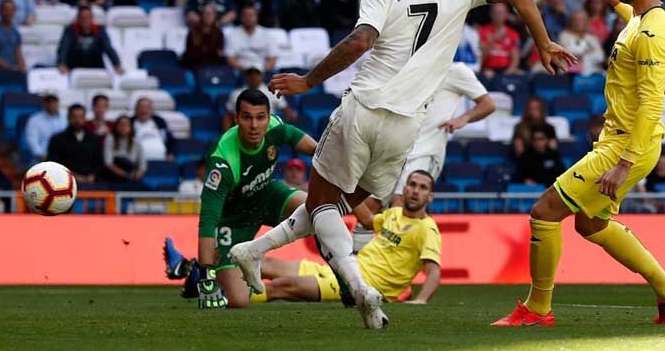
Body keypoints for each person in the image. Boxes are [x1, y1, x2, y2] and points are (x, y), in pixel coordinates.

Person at [229, 0, 575, 329]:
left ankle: (358, 286)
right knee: (338, 206)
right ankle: (253, 251)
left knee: (323, 204)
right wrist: (543, 43)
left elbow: (359, 41)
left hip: (364, 108)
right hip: (405, 128)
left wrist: (308, 81)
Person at [493, 0, 665, 328]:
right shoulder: (646, 18)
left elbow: (652, 103)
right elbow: (634, 23)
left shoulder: (653, 33)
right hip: (624, 141)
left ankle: (537, 309)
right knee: (590, 224)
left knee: (544, 213)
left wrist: (624, 164)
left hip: (626, 146)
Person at [185, 88, 318, 309]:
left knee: (316, 209)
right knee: (238, 301)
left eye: (260, 117)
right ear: (236, 119)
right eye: (247, 118)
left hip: (266, 196)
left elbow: (315, 149)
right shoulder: (223, 161)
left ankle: (344, 279)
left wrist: (337, 158)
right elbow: (208, 219)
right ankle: (197, 273)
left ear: (268, 118)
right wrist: (206, 275)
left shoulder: (276, 127)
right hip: (232, 222)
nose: (254, 125)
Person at [353, 62, 495, 248]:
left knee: (401, 205)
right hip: (397, 149)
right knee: (371, 205)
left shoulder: (456, 71)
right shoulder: (411, 66)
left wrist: (463, 119)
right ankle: (355, 257)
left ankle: (391, 259)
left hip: (425, 150)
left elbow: (488, 104)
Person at [263, 170, 441, 304]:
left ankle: (243, 299)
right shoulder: (394, 214)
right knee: (267, 264)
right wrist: (345, 189)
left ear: (430, 197)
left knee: (280, 286)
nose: (416, 191)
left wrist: (421, 300)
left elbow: (433, 271)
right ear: (404, 189)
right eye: (412, 185)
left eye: (423, 188)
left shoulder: (427, 229)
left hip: (363, 286)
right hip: (348, 269)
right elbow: (367, 220)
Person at [223, 66, 297, 130]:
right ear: (246, 76)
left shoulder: (272, 91)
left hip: (269, 129)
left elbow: (287, 112)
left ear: (262, 76)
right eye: (250, 75)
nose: (253, 77)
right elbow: (228, 116)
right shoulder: (236, 94)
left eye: (256, 74)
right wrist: (226, 133)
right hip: (244, 130)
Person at [47, 104, 104, 187]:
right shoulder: (57, 139)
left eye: (81, 117)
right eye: (74, 117)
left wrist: (93, 175)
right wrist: (73, 176)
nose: (77, 120)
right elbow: (53, 164)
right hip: (64, 184)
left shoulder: (94, 139)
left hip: (92, 184)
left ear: (85, 118)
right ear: (68, 118)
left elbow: (99, 162)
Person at [56, 5, 123, 74]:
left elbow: (108, 48)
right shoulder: (70, 30)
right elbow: (64, 48)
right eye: (83, 18)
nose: (85, 20)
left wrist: (117, 64)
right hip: (75, 67)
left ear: (92, 18)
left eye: (88, 17)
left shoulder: (99, 30)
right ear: (78, 18)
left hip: (96, 67)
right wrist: (62, 64)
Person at [225, 6, 276, 72]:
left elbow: (272, 59)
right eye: (246, 16)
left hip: (262, 71)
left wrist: (261, 71)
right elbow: (230, 58)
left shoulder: (267, 34)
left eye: (251, 15)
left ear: (257, 17)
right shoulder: (232, 35)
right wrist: (248, 71)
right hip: (241, 71)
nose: (248, 18)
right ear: (241, 18)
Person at [479, 3, 522, 77]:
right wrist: (494, 39)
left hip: (505, 72)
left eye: (501, 13)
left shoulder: (513, 34)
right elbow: (480, 57)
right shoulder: (483, 31)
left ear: (506, 14)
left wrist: (507, 73)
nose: (498, 16)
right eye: (495, 13)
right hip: (487, 71)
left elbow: (515, 58)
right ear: (491, 14)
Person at [103, 115, 146, 186]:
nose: (123, 127)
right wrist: (125, 175)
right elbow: (108, 163)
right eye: (121, 124)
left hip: (132, 175)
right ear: (116, 126)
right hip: (113, 176)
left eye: (126, 125)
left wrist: (137, 174)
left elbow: (142, 165)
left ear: (131, 127)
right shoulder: (110, 139)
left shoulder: (136, 142)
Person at [558, 9, 604, 75]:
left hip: (590, 73)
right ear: (571, 21)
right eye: (576, 20)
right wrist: (586, 52)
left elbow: (600, 56)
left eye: (581, 20)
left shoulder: (592, 38)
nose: (578, 22)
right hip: (568, 73)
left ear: (587, 22)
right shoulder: (564, 36)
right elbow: (564, 54)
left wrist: (584, 57)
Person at [25, 92, 66, 164]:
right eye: (49, 103)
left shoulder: (65, 118)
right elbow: (32, 141)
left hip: (64, 157)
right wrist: (42, 156)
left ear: (57, 103)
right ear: (44, 104)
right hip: (43, 158)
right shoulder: (35, 120)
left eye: (54, 102)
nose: (52, 105)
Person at [181, 4, 225, 69]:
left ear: (215, 16)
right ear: (201, 15)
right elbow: (191, 53)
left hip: (213, 66)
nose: (208, 16)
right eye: (206, 13)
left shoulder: (219, 33)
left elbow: (219, 53)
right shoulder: (193, 32)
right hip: (195, 65)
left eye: (210, 14)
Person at [0, 0, 24, 71]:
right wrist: (10, 68)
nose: (9, 12)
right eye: (6, 9)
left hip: (12, 71)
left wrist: (21, 67)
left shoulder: (15, 33)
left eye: (12, 10)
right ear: (0, 11)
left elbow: (18, 54)